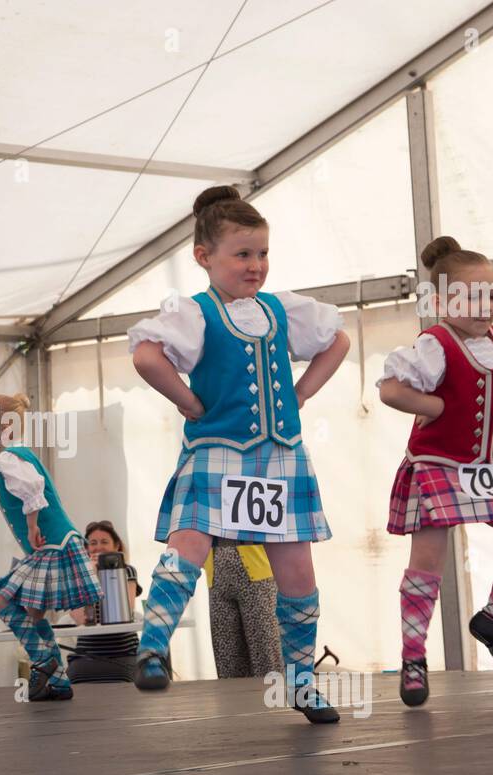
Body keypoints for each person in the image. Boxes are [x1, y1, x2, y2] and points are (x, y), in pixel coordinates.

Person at [127, 185, 350, 723]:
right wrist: (190, 404)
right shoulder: (196, 312)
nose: (256, 266)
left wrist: (301, 394)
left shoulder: (280, 309)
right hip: (218, 449)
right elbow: (146, 355)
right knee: (189, 545)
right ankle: (153, 650)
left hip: (280, 456)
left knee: (297, 574)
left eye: (262, 254)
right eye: (243, 254)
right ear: (204, 257)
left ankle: (300, 679)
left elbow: (337, 339)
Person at [378, 235, 493, 705]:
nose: (484, 305)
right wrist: (433, 406)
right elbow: (390, 390)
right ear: (440, 302)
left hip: (485, 470)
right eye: (470, 296)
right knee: (427, 565)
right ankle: (414, 658)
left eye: (490, 295)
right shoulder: (435, 344)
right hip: (439, 467)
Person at [0, 393, 100, 701]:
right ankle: (58, 681)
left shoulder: (9, 458)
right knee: (33, 612)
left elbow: (33, 491)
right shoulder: (17, 456)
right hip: (56, 543)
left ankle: (45, 662)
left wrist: (32, 528)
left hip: (50, 544)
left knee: (3, 601)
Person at [68, 520, 140, 683]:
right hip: (87, 657)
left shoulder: (127, 571)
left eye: (104, 542)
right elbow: (82, 619)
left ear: (117, 547)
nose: (98, 547)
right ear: (85, 549)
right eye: (92, 543)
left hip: (124, 655)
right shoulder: (76, 575)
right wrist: (91, 574)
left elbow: (125, 612)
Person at [205, 544, 282, 678]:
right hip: (216, 579)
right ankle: (234, 699)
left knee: (266, 654)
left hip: (258, 576)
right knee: (227, 658)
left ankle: (273, 698)